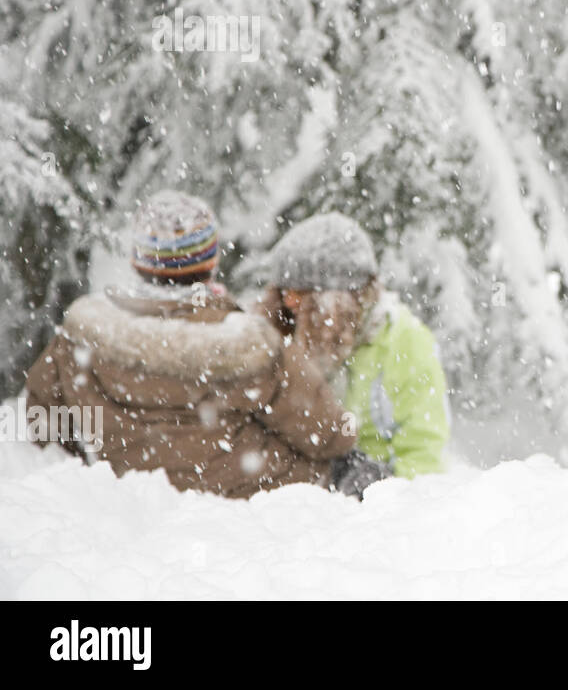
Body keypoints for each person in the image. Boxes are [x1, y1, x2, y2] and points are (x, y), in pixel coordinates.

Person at [24, 190, 360, 499]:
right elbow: (327, 433)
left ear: (139, 262)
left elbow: (42, 420)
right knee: (355, 471)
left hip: (128, 495)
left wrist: (97, 463)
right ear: (211, 262)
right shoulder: (248, 343)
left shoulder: (84, 335)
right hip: (250, 497)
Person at [260, 212, 451, 479]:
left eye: (299, 293)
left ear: (340, 298)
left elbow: (424, 454)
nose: (289, 303)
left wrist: (377, 484)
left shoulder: (403, 342)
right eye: (283, 293)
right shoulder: (275, 334)